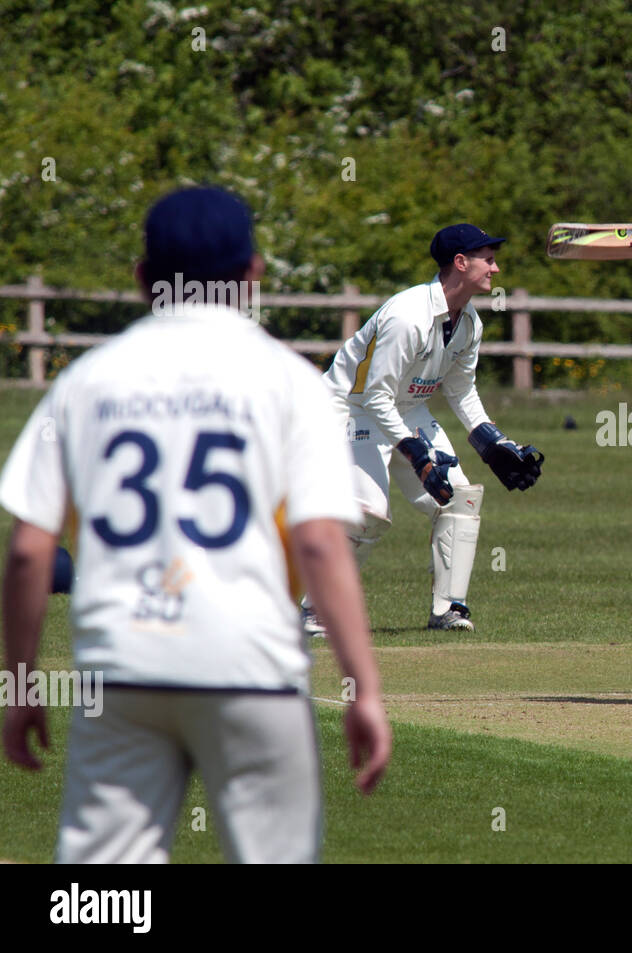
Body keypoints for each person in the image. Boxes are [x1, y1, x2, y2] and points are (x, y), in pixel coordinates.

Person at [0, 186, 391, 862]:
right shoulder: (289, 381)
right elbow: (322, 543)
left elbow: (30, 553)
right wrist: (365, 688)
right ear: (254, 273)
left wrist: (23, 683)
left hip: (122, 672)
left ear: (142, 277)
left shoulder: (88, 380)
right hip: (252, 668)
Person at [308, 224, 543, 635]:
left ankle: (448, 608)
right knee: (367, 514)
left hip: (405, 408)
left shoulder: (468, 322)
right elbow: (376, 396)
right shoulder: (408, 316)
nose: (496, 268)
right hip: (351, 408)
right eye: (488, 259)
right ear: (460, 262)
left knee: (460, 499)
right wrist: (416, 456)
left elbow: (461, 389)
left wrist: (493, 444)